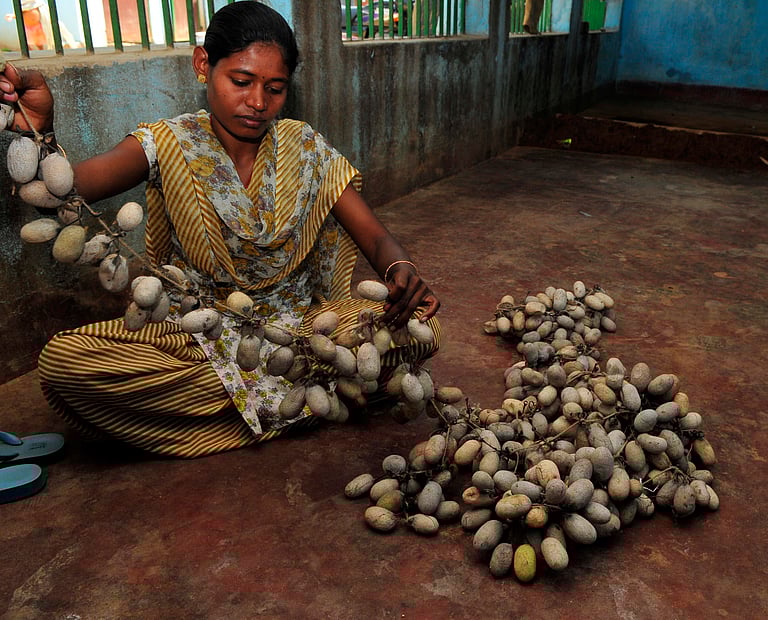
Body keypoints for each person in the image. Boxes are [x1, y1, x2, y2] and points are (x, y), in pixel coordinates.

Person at [0, 0, 441, 458]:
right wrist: (40, 130)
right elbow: (65, 192)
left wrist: (401, 269)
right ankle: (301, 398)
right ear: (202, 64)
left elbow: (374, 235)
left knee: (424, 328)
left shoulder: (306, 146)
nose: (258, 103)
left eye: (275, 88)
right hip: (200, 332)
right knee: (65, 362)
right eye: (241, 82)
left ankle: (261, 401)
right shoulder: (166, 143)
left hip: (300, 333)